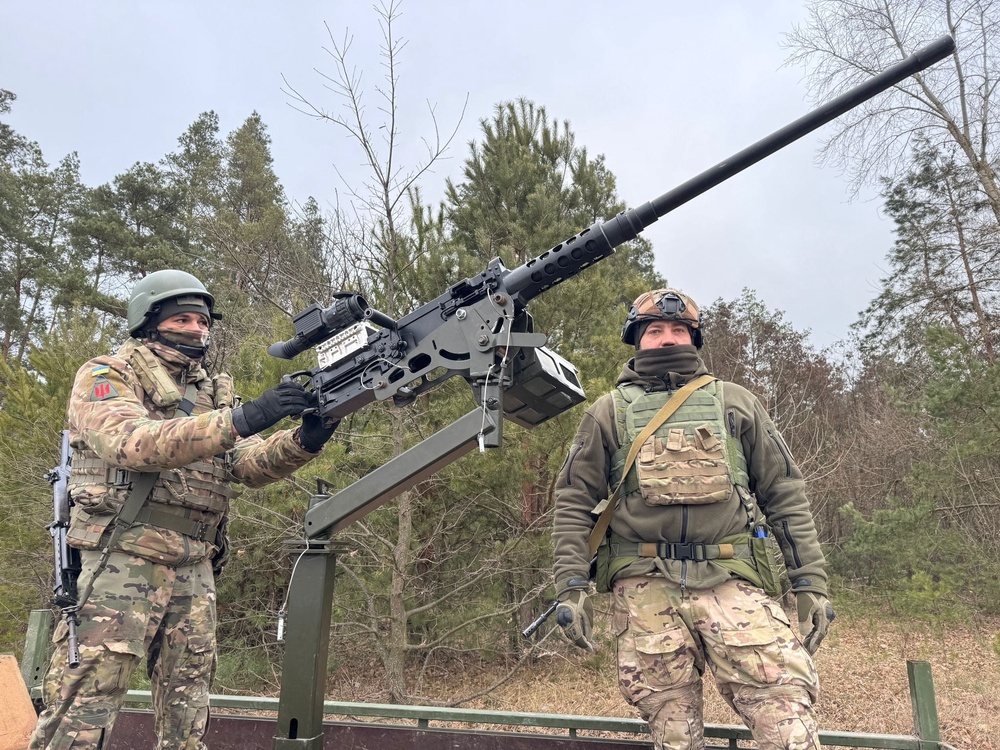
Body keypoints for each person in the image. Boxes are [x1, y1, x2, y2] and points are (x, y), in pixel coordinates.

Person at [31, 269, 338, 750]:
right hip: (122, 555)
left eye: (202, 321)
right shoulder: (107, 374)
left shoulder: (212, 390)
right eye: (184, 319)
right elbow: (129, 443)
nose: (198, 330)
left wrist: (305, 439)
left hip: (195, 564)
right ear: (149, 321)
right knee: (85, 703)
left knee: (188, 706)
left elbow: (247, 465)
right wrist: (244, 416)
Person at [551, 288, 835, 750]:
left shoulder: (735, 403)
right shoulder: (607, 412)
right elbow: (572, 501)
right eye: (655, 331)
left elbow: (784, 493)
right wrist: (571, 587)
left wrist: (811, 584)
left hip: (732, 578)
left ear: (694, 339)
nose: (667, 340)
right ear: (636, 340)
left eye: (678, 330)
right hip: (645, 586)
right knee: (675, 734)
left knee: (787, 722)